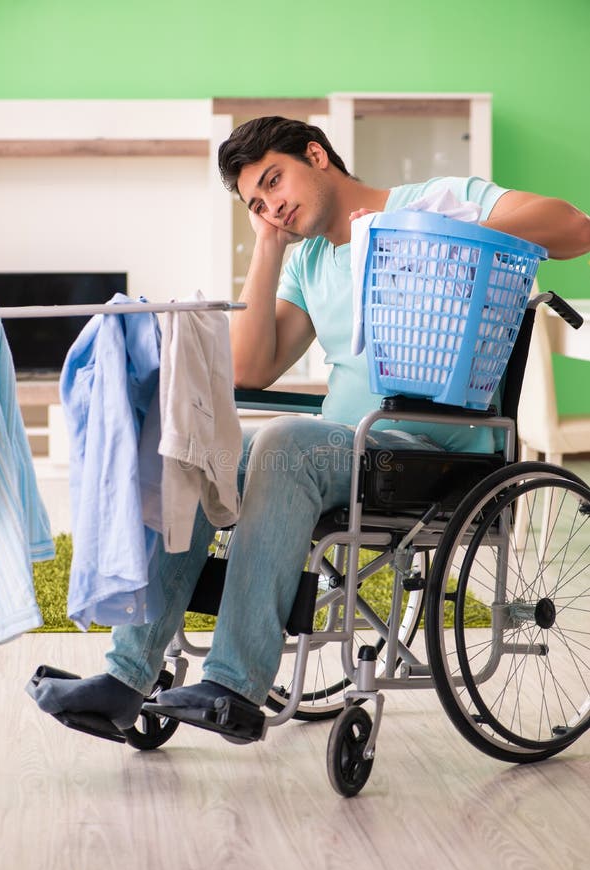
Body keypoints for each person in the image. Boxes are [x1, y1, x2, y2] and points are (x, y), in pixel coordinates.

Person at [30, 116, 590, 734]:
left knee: (282, 442)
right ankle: (126, 676)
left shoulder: (432, 200)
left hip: (429, 449)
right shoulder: (312, 261)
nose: (275, 206)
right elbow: (253, 367)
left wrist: (439, 230)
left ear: (317, 156)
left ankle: (234, 686)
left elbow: (572, 228)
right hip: (342, 448)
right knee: (197, 447)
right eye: (257, 202)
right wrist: (268, 248)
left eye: (275, 181)